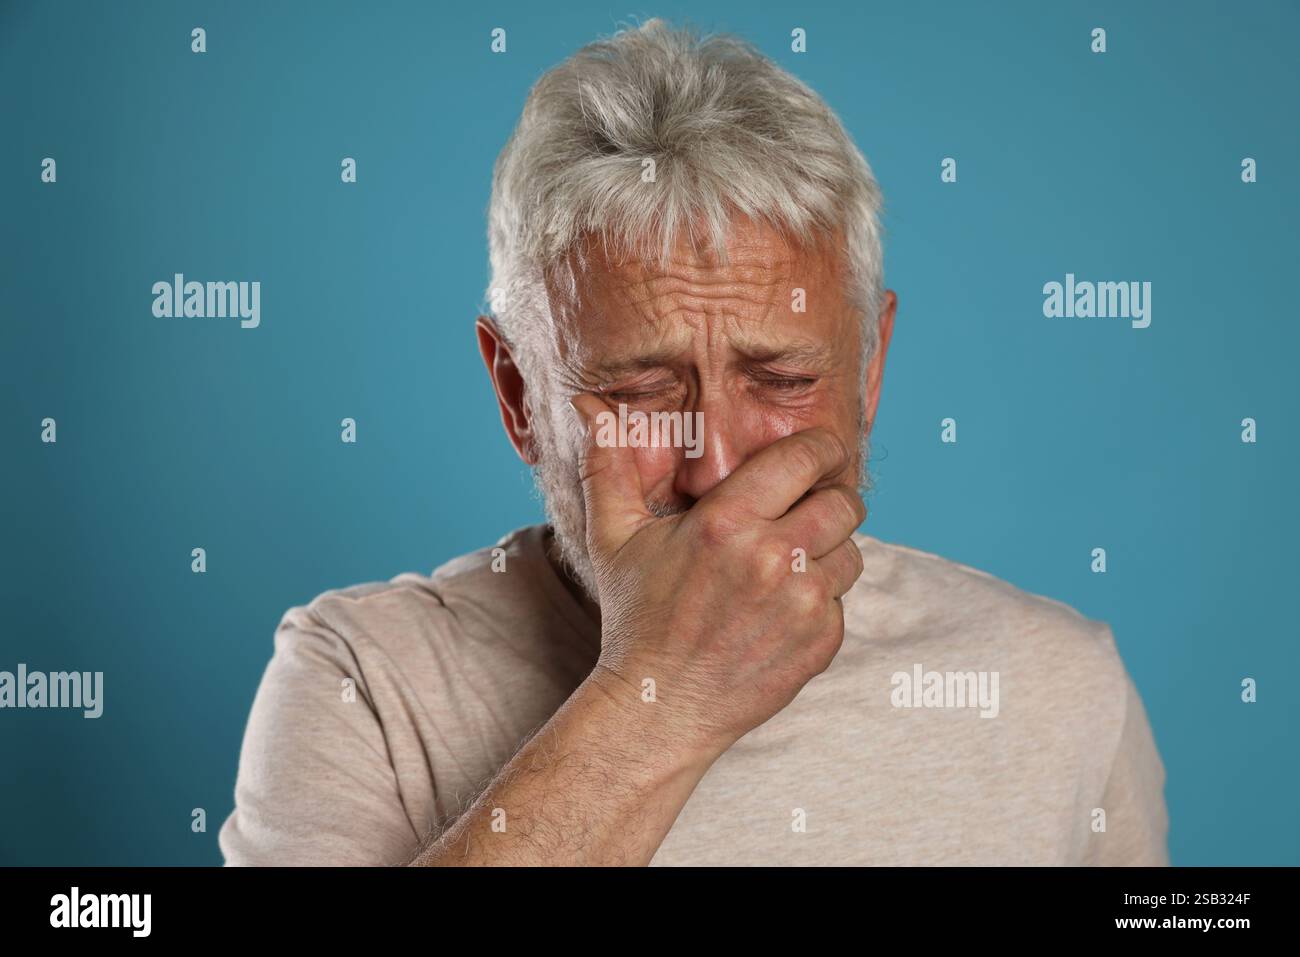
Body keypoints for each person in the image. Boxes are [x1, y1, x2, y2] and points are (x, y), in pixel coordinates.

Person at [220, 19, 1168, 866]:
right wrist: (661, 693)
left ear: (869, 372)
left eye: (784, 380)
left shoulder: (1060, 687)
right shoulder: (361, 684)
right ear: (519, 394)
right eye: (639, 390)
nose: (716, 465)